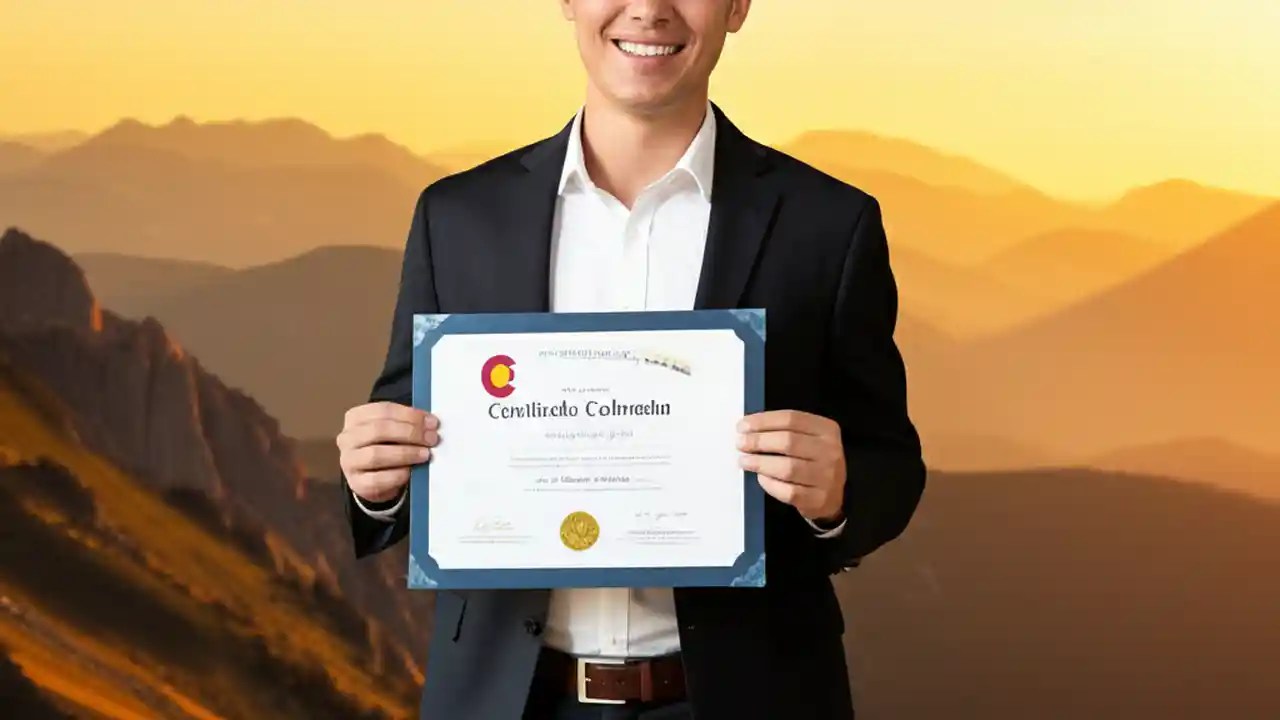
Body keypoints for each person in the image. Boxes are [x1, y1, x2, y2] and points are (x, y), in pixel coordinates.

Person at [336, 1, 925, 718]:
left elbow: (890, 465)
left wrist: (839, 493)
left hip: (746, 696)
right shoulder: (459, 217)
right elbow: (408, 435)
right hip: (509, 699)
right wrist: (377, 482)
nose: (649, 9)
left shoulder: (827, 224)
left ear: (738, 6)